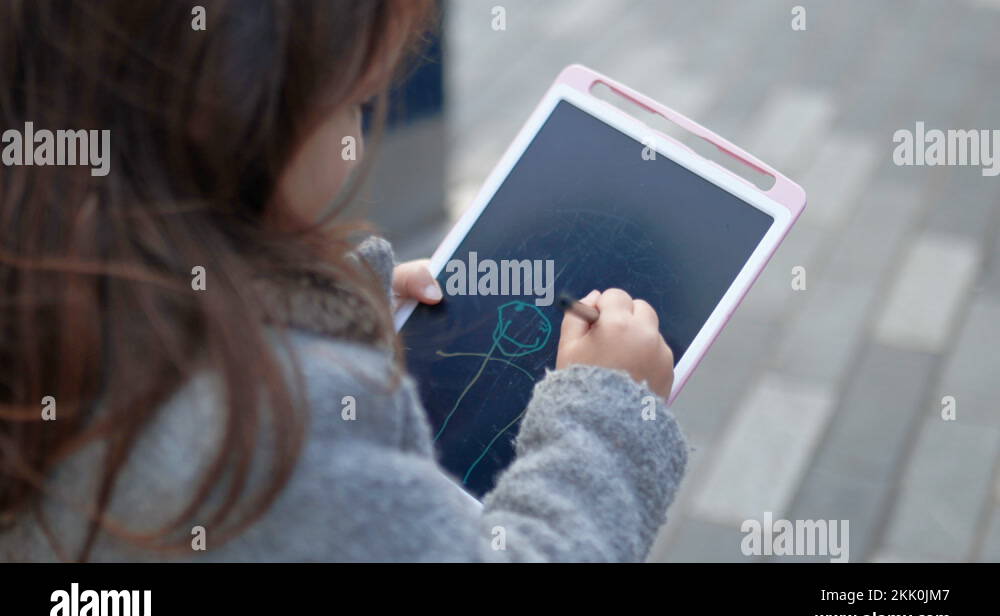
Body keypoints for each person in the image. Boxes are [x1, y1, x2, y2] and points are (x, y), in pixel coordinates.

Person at [0, 0, 686, 562]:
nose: (363, 126)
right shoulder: (279, 438)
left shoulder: (49, 277)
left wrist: (332, 306)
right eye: (358, 97)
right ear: (241, 118)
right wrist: (607, 420)